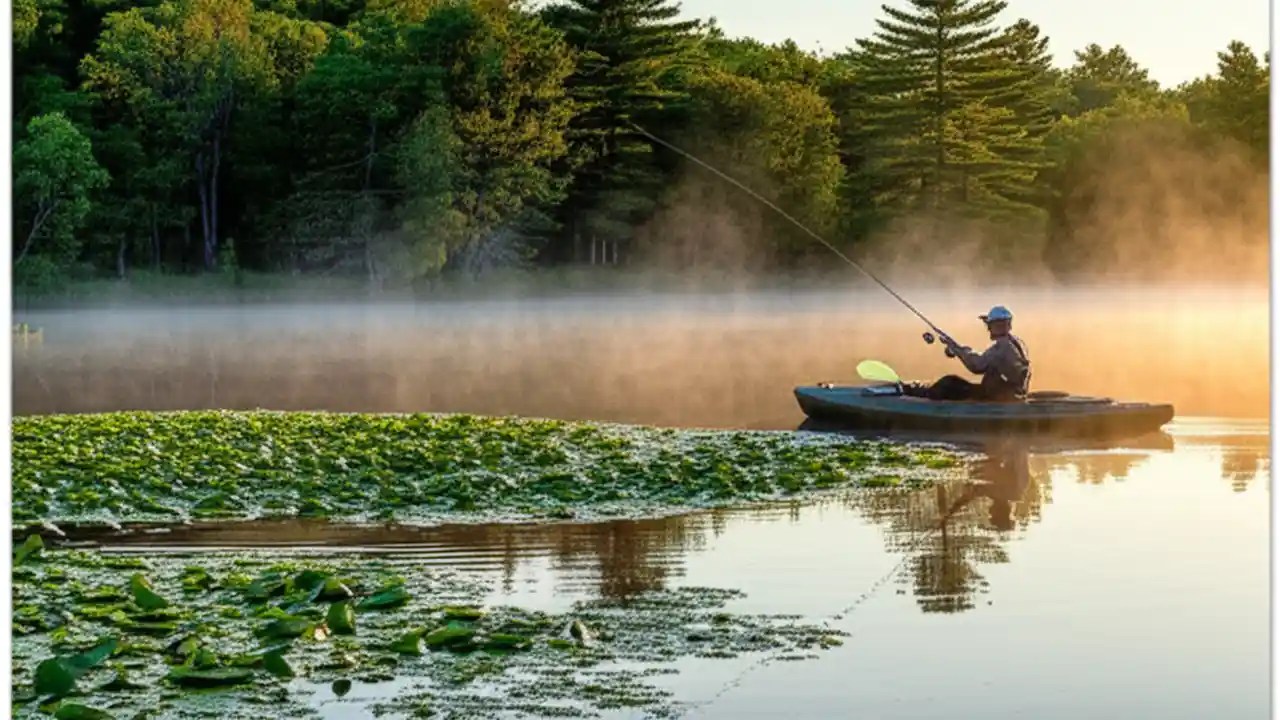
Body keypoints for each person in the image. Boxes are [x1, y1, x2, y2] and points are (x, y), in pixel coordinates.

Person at [904, 305, 1031, 402]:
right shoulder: (1016, 343)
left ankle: (916, 395)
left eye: (990, 325)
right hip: (1010, 394)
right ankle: (919, 391)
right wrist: (956, 348)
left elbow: (977, 366)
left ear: (999, 325)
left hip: (1000, 398)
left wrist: (957, 349)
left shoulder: (1003, 347)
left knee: (949, 383)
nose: (988, 329)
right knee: (954, 383)